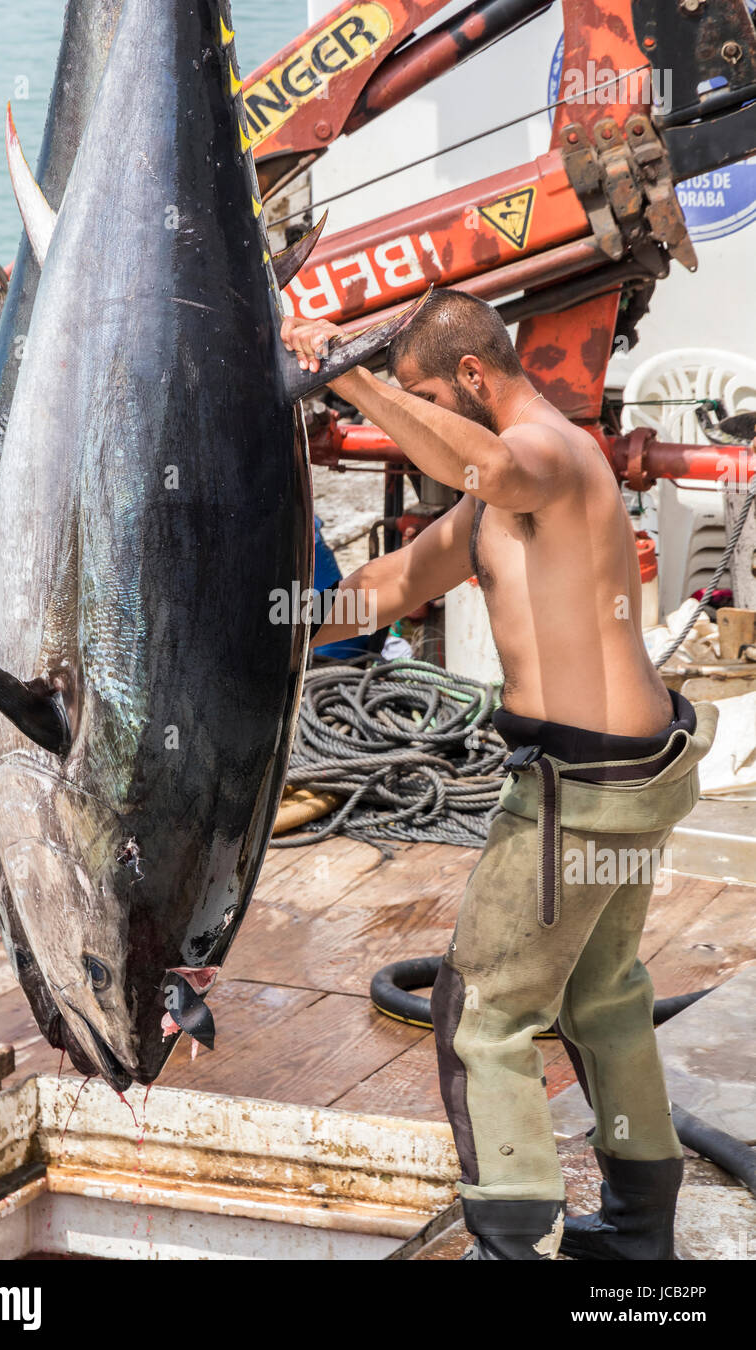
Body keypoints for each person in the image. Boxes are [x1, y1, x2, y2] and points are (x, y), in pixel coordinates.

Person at [281, 289, 716, 1261]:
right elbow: (389, 588)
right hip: (623, 777)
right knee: (598, 996)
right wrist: (259, 625)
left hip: (581, 790)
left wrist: (340, 374)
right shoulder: (496, 499)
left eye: (427, 397)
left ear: (472, 378)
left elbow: (475, 455)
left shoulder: (552, 455)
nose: (419, 420)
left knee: (480, 1012)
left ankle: (509, 1248)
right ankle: (640, 1235)